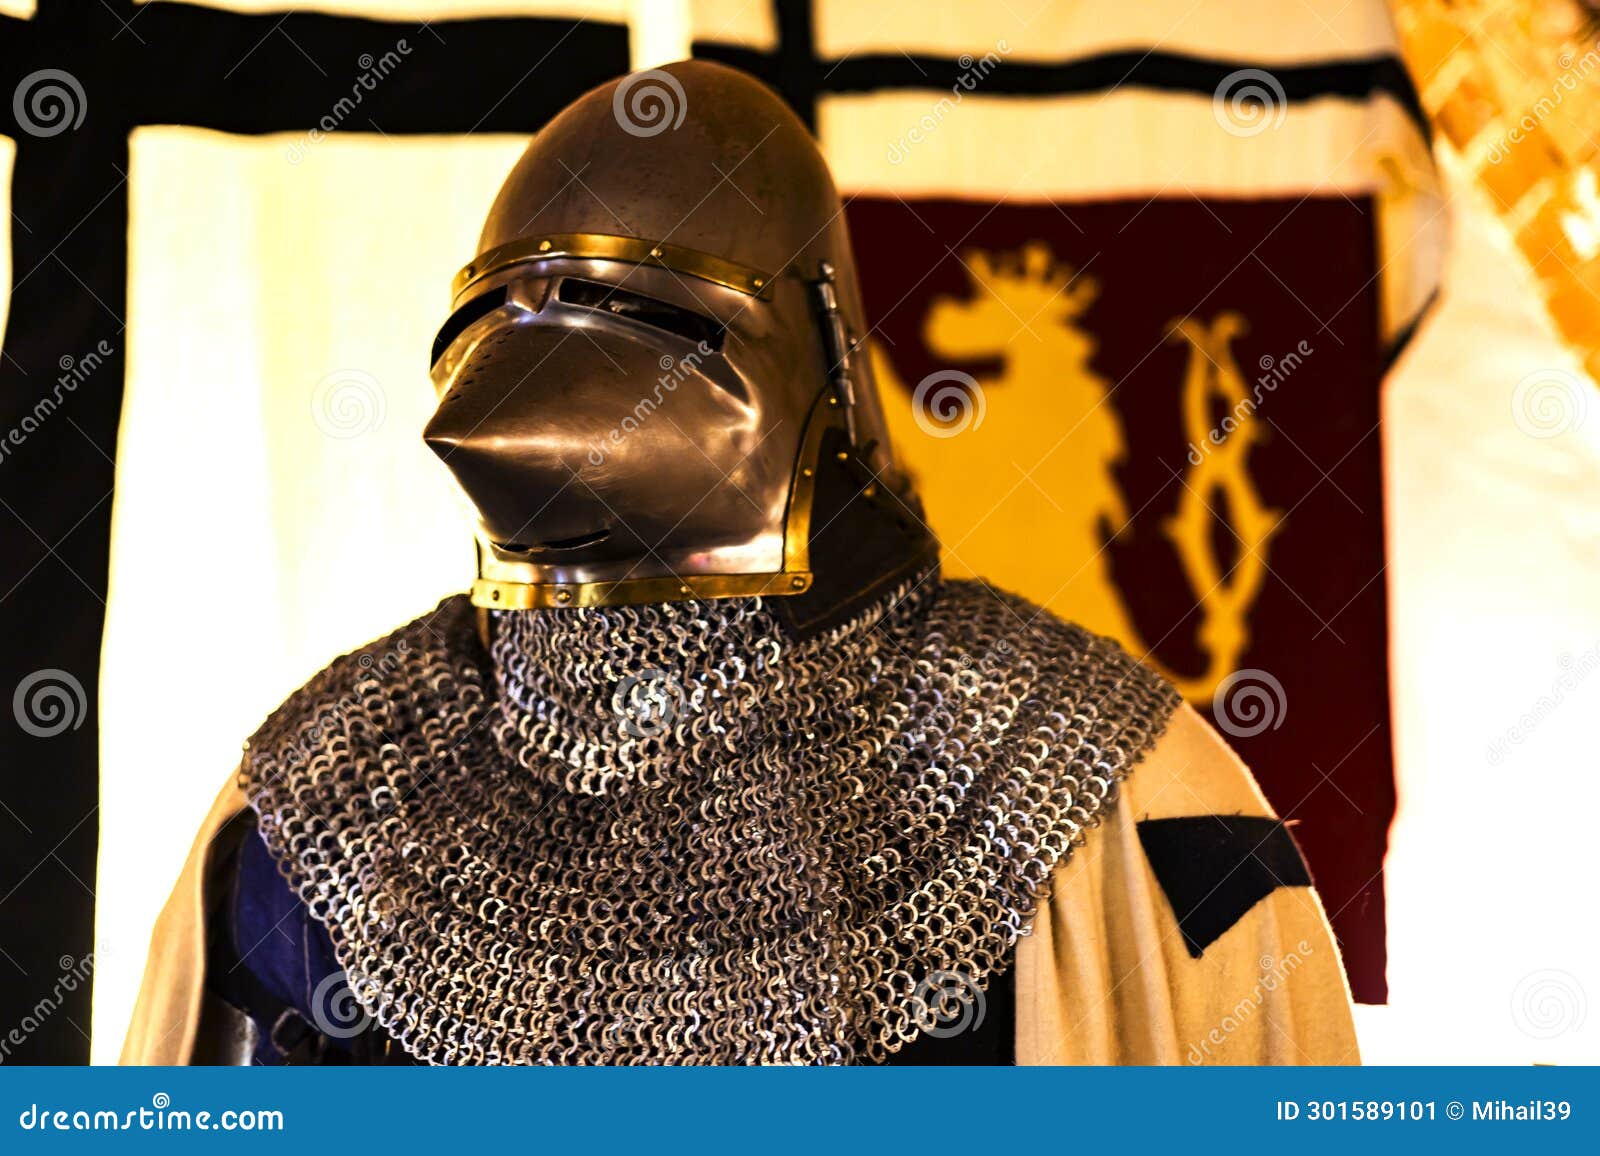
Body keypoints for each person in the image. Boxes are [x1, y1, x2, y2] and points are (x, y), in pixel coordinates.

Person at [122, 61, 1356, 1066]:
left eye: (649, 317)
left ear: (814, 345)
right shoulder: (307, 804)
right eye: (499, 322)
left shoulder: (1109, 792)